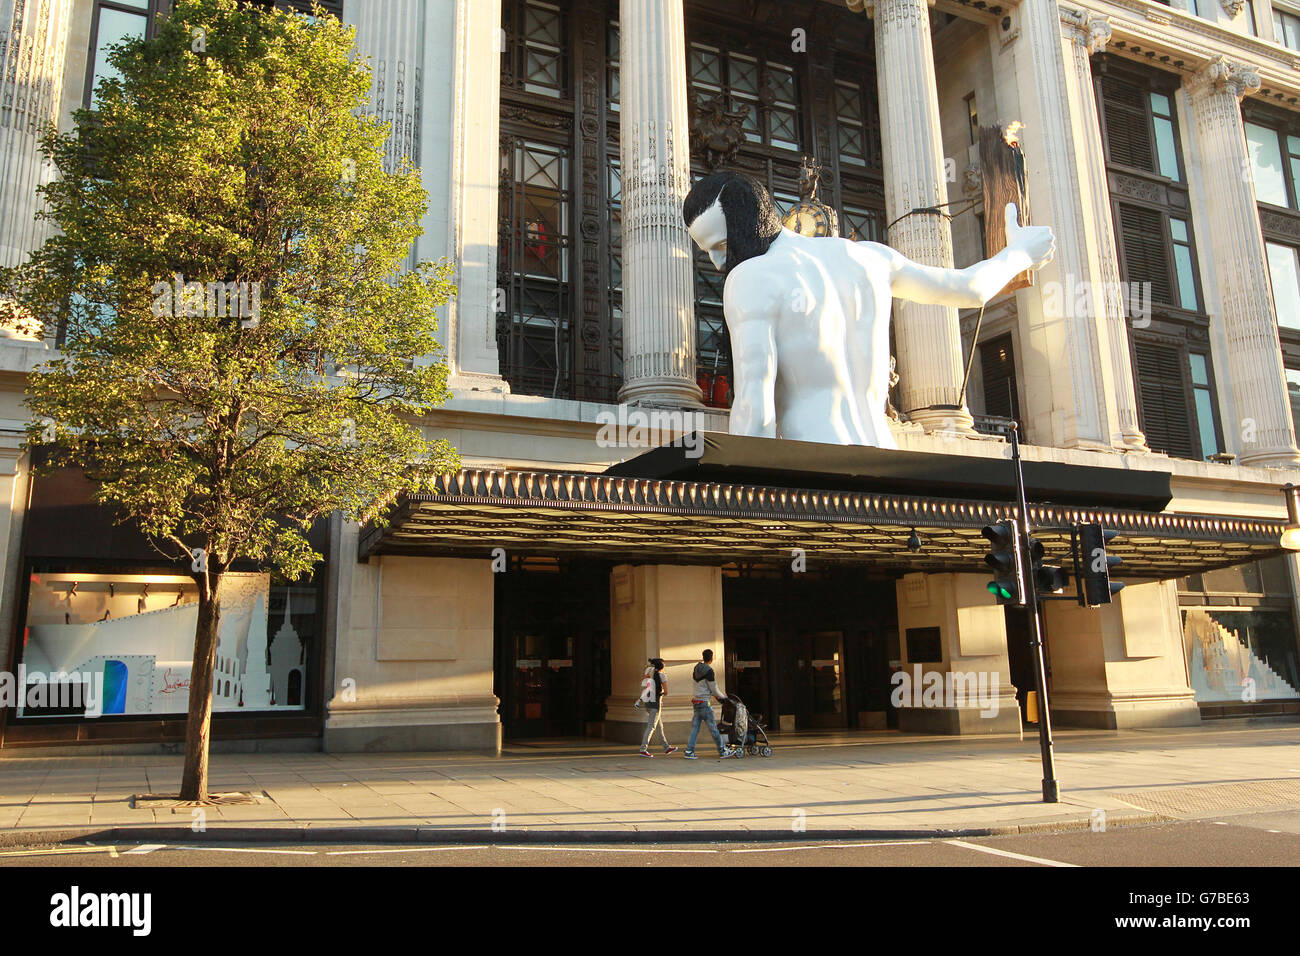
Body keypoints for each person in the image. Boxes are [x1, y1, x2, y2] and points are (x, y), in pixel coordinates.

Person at [682, 172, 1055, 448]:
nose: (718, 263)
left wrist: (748, 504)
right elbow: (969, 288)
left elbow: (754, 404)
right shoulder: (870, 257)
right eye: (709, 252)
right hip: (885, 457)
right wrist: (1019, 253)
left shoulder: (749, 277)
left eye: (723, 245)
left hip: (813, 463)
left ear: (747, 223)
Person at [685, 649, 738, 759]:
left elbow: (701, 686)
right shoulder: (709, 671)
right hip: (705, 703)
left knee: (695, 728)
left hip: (696, 701)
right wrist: (723, 697)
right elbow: (713, 688)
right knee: (713, 728)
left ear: (703, 656)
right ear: (711, 658)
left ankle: (689, 751)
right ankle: (722, 750)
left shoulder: (696, 668)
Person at [638, 658, 677, 757]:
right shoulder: (662, 676)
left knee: (659, 726)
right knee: (652, 726)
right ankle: (643, 748)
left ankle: (666, 747)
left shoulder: (649, 675)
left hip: (648, 702)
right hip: (656, 704)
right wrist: (661, 692)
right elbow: (666, 692)